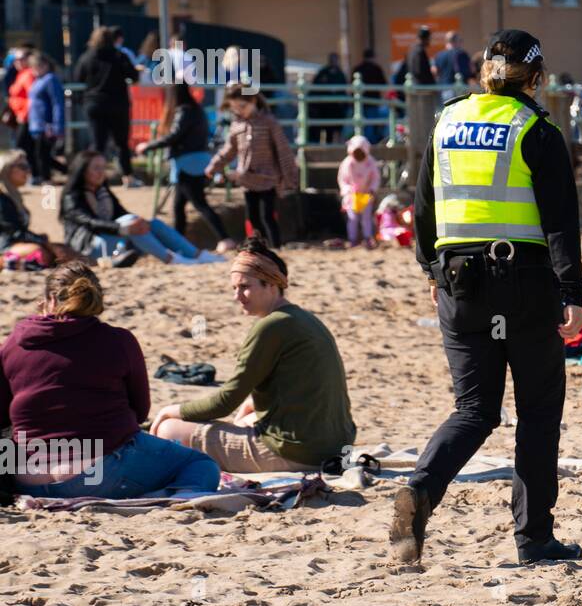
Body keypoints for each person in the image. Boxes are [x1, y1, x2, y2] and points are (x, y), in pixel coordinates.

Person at [392, 29, 582, 567]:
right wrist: (572, 291)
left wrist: (431, 269)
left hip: (459, 283)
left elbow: (422, 207)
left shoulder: (447, 120)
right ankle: (534, 538)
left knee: (475, 409)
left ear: (483, 73)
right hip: (521, 281)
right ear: (538, 78)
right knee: (539, 413)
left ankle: (421, 489)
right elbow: (560, 225)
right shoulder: (536, 130)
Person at [2, 263, 220, 499]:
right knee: (200, 464)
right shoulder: (118, 340)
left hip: (28, 481)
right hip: (98, 474)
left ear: (50, 300)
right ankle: (169, 495)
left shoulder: (13, 345)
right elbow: (140, 411)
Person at [151, 238, 357, 472]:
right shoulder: (305, 319)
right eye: (234, 288)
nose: (237, 296)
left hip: (301, 453)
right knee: (248, 415)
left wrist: (170, 410)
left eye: (245, 287)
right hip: (338, 447)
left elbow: (224, 402)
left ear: (271, 284)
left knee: (169, 429)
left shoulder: (271, 326)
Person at [60, 150, 220, 266]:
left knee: (153, 223)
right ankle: (171, 260)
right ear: (82, 170)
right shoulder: (72, 196)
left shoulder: (102, 191)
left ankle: (197, 255)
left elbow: (121, 212)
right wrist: (124, 228)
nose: (101, 173)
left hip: (113, 238)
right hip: (88, 247)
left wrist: (139, 222)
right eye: (96, 168)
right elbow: (90, 223)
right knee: (130, 223)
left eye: (103, 167)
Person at [136, 81, 234, 250]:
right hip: (196, 162)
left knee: (199, 204)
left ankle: (225, 238)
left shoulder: (184, 111)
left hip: (187, 164)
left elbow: (174, 136)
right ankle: (179, 243)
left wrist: (149, 146)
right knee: (179, 206)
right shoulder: (196, 109)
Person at [206, 82, 299, 248]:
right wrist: (214, 166)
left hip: (268, 178)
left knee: (267, 216)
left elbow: (283, 149)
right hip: (247, 179)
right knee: (253, 217)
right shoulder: (237, 126)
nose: (239, 111)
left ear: (254, 101)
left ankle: (276, 247)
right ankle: (259, 248)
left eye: (242, 106)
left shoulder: (268, 122)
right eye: (235, 108)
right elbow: (229, 150)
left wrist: (289, 175)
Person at [72, 26, 139, 185]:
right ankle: (128, 177)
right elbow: (134, 76)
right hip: (118, 105)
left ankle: (92, 178)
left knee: (97, 144)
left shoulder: (86, 57)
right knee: (121, 143)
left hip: (94, 104)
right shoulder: (119, 55)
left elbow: (77, 78)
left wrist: (83, 100)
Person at [0, 150, 78, 266]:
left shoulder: (13, 196)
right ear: (7, 169)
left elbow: (19, 231)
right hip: (5, 245)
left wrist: (41, 240)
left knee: (64, 249)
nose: (28, 171)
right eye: (23, 167)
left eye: (28, 166)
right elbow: (14, 232)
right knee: (41, 251)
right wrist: (43, 242)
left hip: (17, 243)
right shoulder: (2, 199)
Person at [25, 53, 64, 184]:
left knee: (43, 154)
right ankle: (67, 171)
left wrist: (57, 125)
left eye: (38, 66)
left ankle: (46, 179)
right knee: (41, 154)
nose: (35, 69)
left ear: (46, 65)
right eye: (33, 67)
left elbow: (57, 103)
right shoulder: (38, 80)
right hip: (36, 124)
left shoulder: (50, 79)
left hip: (47, 125)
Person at [338, 134, 381, 247]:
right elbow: (343, 179)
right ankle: (352, 238)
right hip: (352, 196)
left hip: (366, 195)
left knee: (366, 217)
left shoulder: (370, 162)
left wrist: (372, 189)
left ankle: (367, 237)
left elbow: (375, 178)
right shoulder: (347, 163)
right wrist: (347, 190)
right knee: (352, 218)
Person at [3, 46, 35, 162]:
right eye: (15, 59)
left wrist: (25, 115)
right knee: (28, 148)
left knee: (21, 147)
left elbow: (32, 97)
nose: (16, 62)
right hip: (20, 116)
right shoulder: (20, 74)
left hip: (26, 117)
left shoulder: (28, 74)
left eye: (20, 59)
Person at [310, 52, 349, 144]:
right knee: (322, 129)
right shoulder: (323, 72)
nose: (334, 61)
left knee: (334, 129)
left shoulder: (340, 74)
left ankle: (334, 145)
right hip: (323, 108)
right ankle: (323, 146)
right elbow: (315, 87)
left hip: (336, 108)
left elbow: (343, 89)